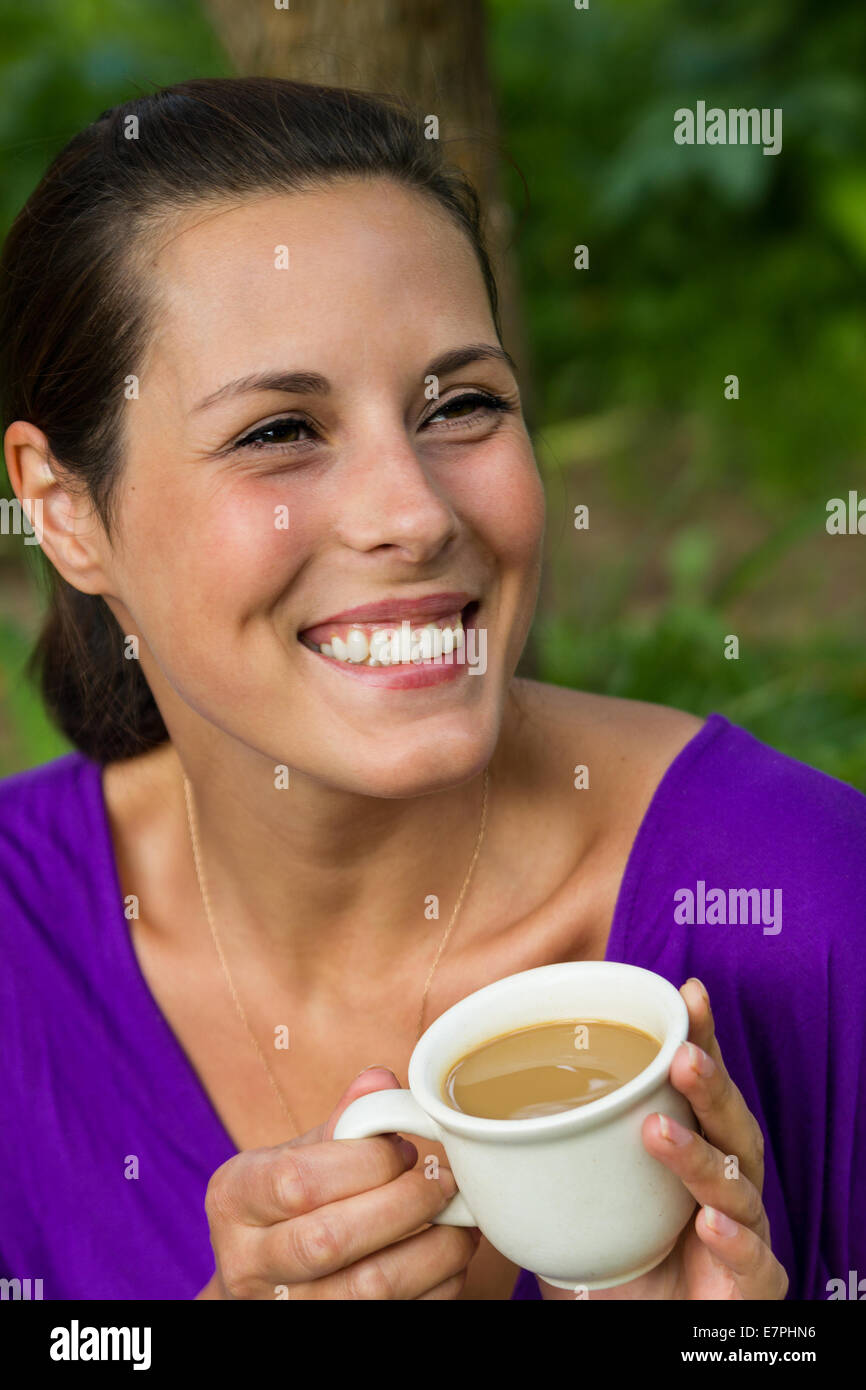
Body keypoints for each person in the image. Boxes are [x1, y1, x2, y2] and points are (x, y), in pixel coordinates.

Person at [0, 77, 862, 1302]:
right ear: (66, 511)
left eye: (460, 405)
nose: (412, 513)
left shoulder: (810, 911)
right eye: (277, 430)